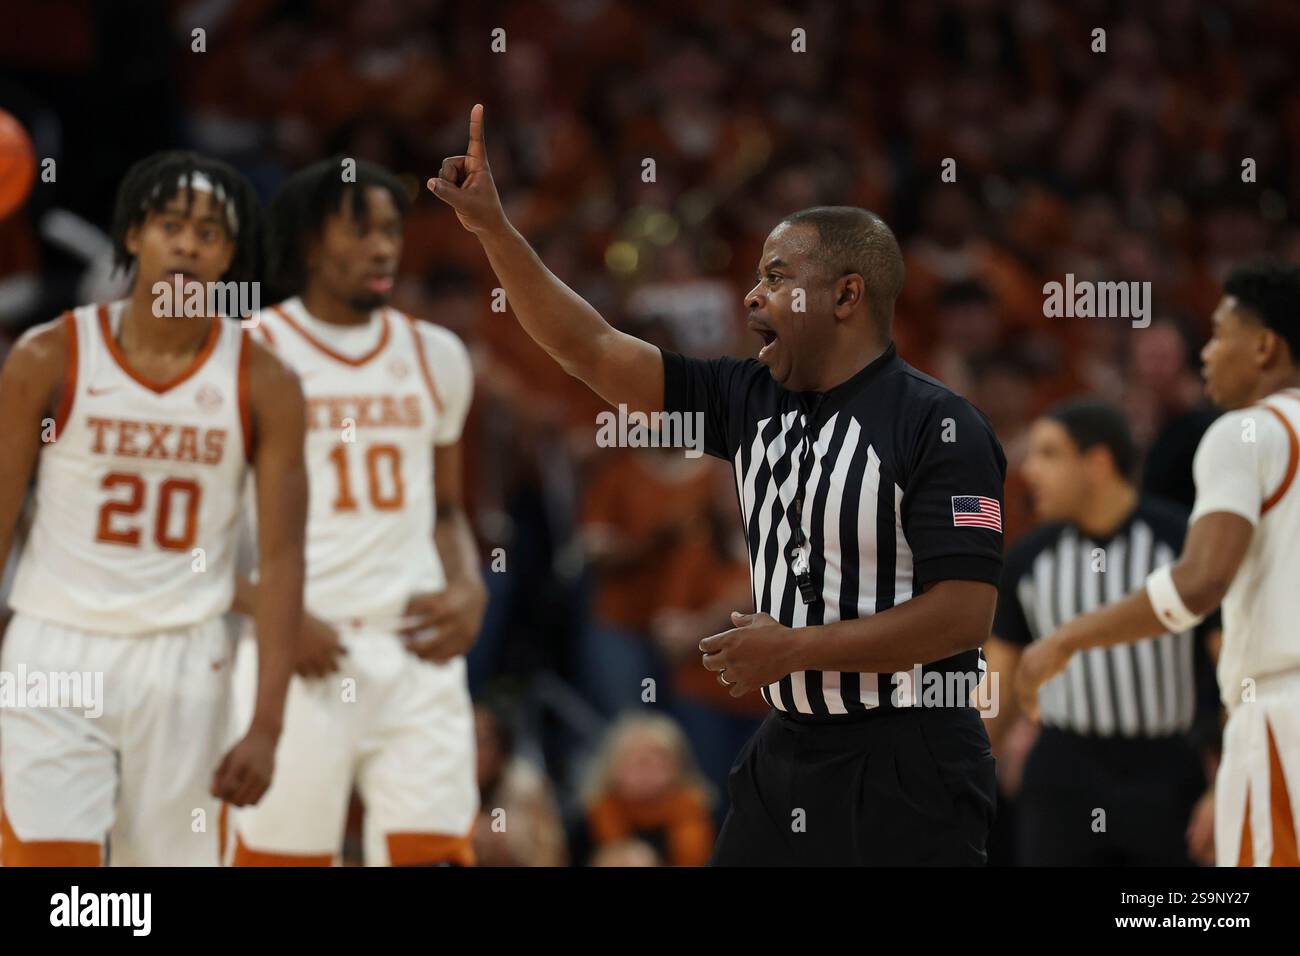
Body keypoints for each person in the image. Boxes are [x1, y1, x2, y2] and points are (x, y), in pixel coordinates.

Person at [429, 105, 1005, 865]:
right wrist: (495, 233)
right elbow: (592, 349)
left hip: (909, 758)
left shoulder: (940, 426)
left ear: (846, 296)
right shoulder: (746, 399)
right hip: (790, 748)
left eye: (776, 276)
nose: (750, 296)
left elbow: (963, 616)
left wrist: (796, 649)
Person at [0, 152, 306, 866]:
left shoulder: (266, 379)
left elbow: (287, 557)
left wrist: (267, 724)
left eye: (210, 233)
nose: (189, 244)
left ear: (230, 255)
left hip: (187, 660)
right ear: (134, 235)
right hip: (52, 646)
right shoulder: (50, 355)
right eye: (172, 224)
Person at [227, 157, 484, 866]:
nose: (384, 248)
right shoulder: (246, 355)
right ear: (310, 242)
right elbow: (190, 538)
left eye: (393, 231)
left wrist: (468, 585)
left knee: (434, 856)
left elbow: (447, 509)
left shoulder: (436, 354)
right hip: (295, 655)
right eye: (361, 230)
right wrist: (271, 612)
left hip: (416, 651)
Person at [1017, 260, 1300, 866]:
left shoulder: (1242, 432)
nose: (1206, 356)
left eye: (1221, 336)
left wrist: (1068, 638)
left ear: (1265, 346)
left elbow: (1200, 583)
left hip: (1280, 714)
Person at [986, 399, 1217, 865]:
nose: (1029, 471)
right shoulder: (1028, 558)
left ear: (1097, 463)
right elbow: (997, 686)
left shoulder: (1183, 545)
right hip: (1063, 773)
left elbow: (1231, 668)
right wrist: (958, 780)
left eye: (1049, 454)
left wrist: (1225, 782)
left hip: (1166, 774)